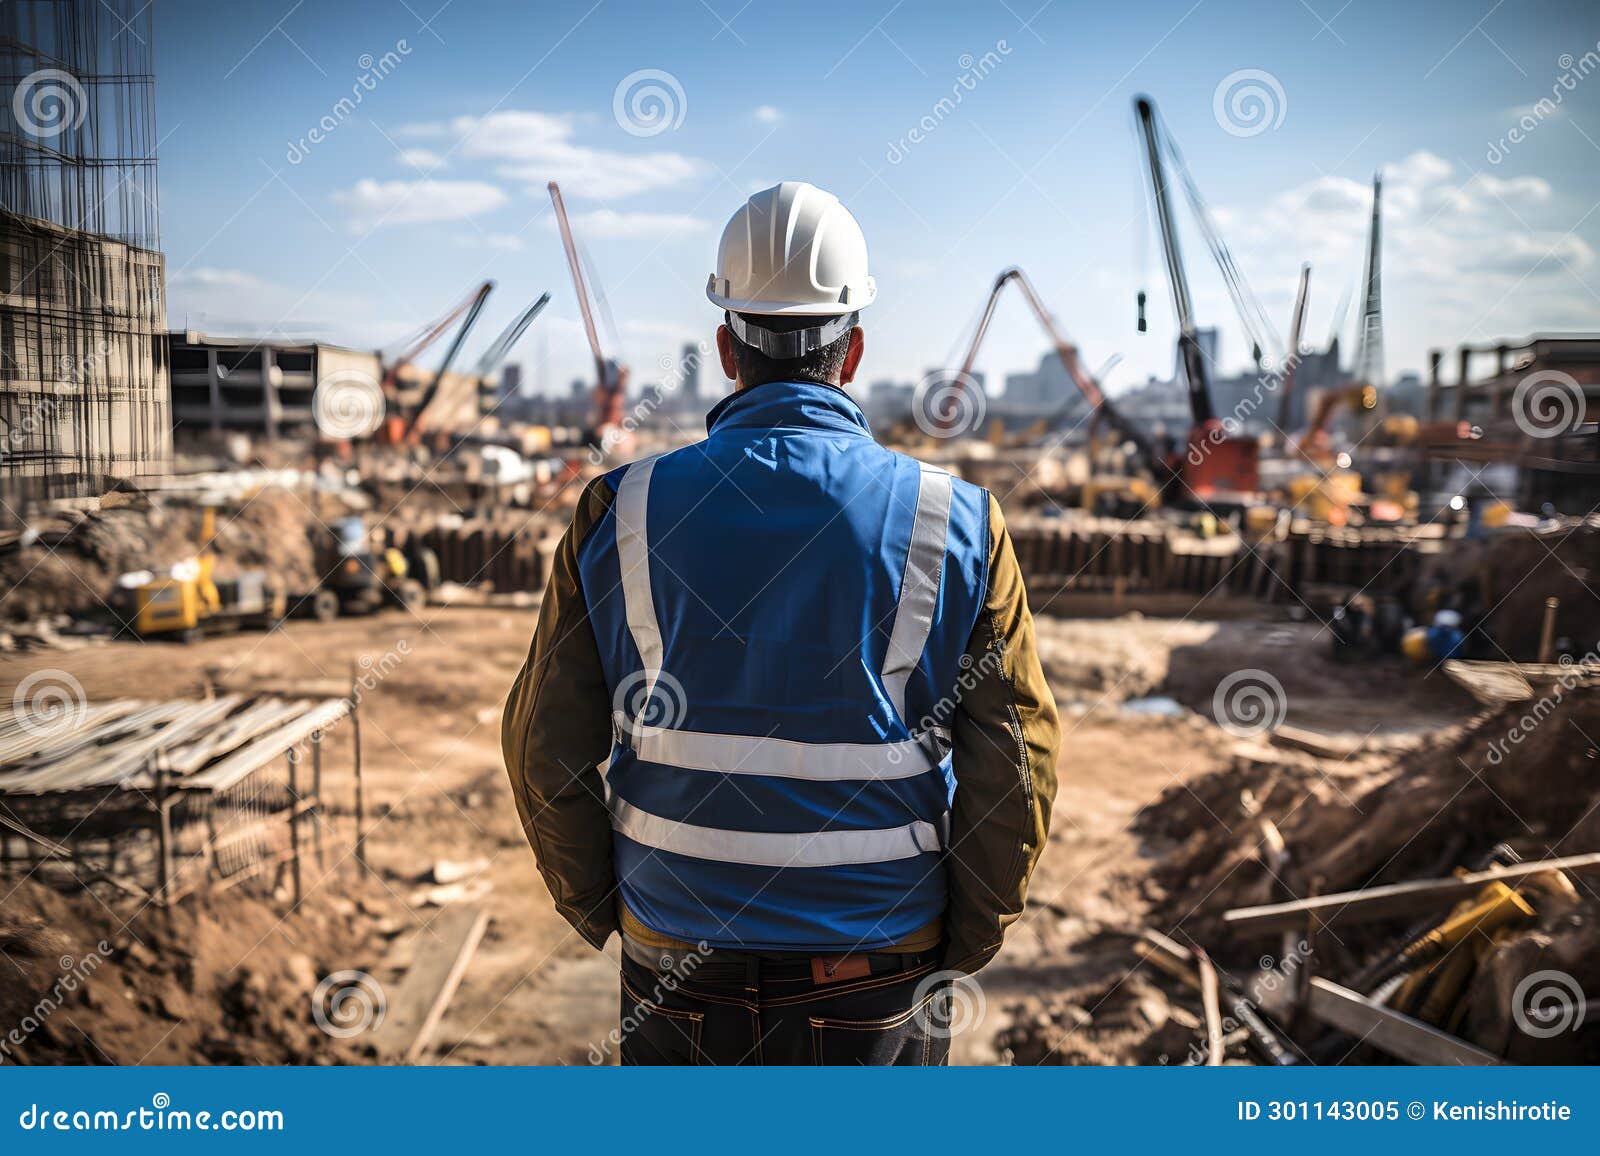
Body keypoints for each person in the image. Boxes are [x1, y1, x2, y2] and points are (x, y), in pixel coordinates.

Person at [502, 181, 1059, 1066]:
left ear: (727, 348)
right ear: (856, 349)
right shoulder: (955, 523)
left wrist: (605, 905)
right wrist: (962, 938)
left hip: (675, 961)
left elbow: (543, 745)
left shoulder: (620, 511)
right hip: (876, 966)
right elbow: (1017, 767)